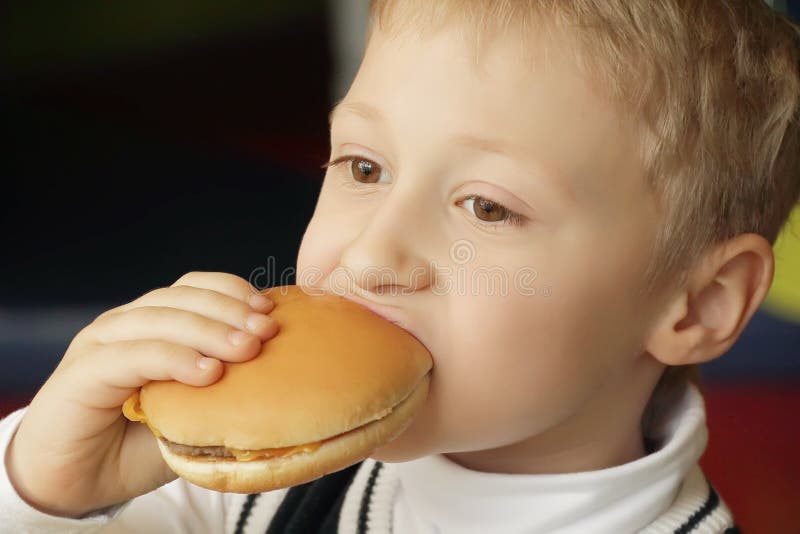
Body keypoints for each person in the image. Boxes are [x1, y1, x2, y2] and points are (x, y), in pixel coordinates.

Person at [2, 1, 799, 532]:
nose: (373, 254)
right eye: (363, 167)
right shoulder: (243, 483)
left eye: (488, 207)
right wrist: (46, 485)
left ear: (698, 303)